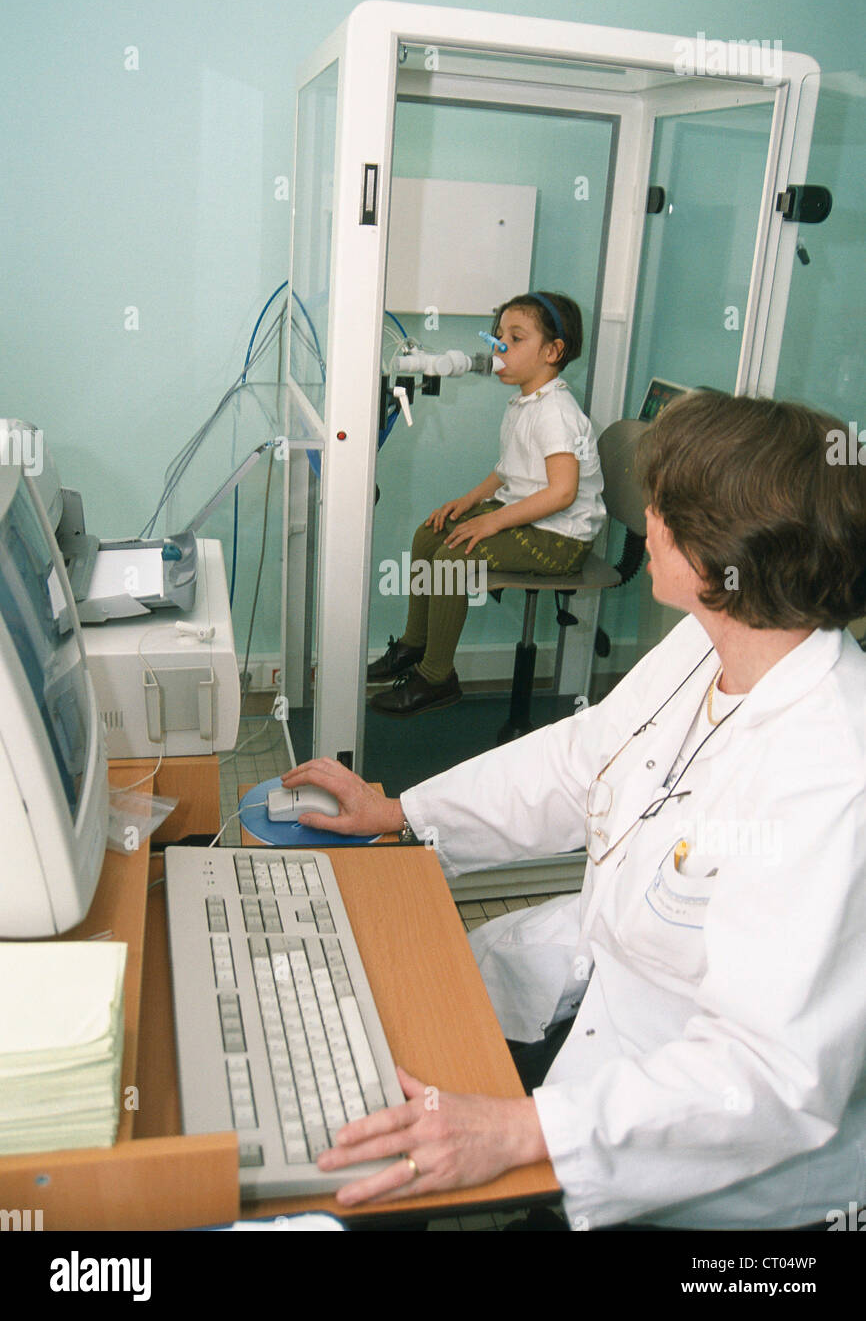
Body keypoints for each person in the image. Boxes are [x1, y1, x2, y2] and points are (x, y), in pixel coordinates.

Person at [281, 390, 866, 1230]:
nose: (648, 520)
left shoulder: (833, 771)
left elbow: (769, 1076)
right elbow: (584, 760)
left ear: (719, 553)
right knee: (375, 1043)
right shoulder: (712, 638)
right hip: (607, 1011)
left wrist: (523, 1130)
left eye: (663, 506)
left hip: (717, 1176)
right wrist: (401, 812)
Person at [367, 290, 605, 716]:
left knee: (451, 558)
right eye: (498, 337)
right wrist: (468, 501)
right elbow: (508, 471)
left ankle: (437, 678)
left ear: (554, 351)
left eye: (515, 339)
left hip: (560, 537)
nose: (499, 349)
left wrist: (491, 523)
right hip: (531, 517)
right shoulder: (525, 402)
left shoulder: (557, 412)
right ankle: (415, 645)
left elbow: (562, 492)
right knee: (431, 534)